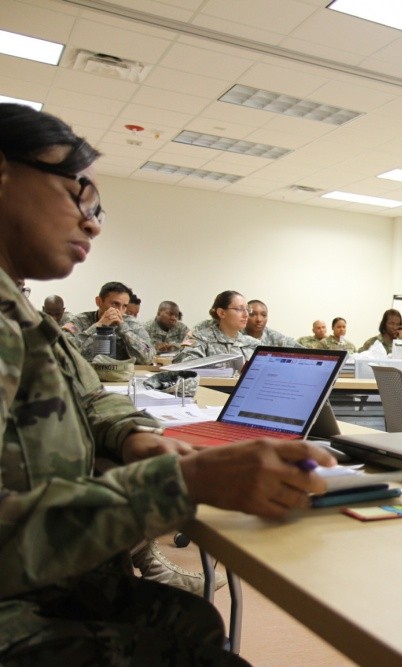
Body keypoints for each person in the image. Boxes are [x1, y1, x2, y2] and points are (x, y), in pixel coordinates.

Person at [0, 103, 335, 664]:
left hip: (49, 579)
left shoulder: (22, 312)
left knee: (192, 621)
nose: (93, 222)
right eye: (78, 194)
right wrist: (180, 482)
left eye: (99, 207)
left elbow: (85, 394)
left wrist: (132, 435)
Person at [63, 280, 155, 364]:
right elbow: (63, 352)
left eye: (124, 306)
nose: (119, 310)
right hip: (88, 376)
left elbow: (148, 358)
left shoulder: (131, 324)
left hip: (121, 377)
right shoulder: (80, 321)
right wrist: (98, 326)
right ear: (99, 301)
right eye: (115, 304)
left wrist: (124, 329)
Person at [172, 290, 260, 363]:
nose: (246, 315)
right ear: (222, 313)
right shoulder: (199, 339)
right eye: (240, 309)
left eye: (247, 309)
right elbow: (183, 366)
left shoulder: (253, 344)